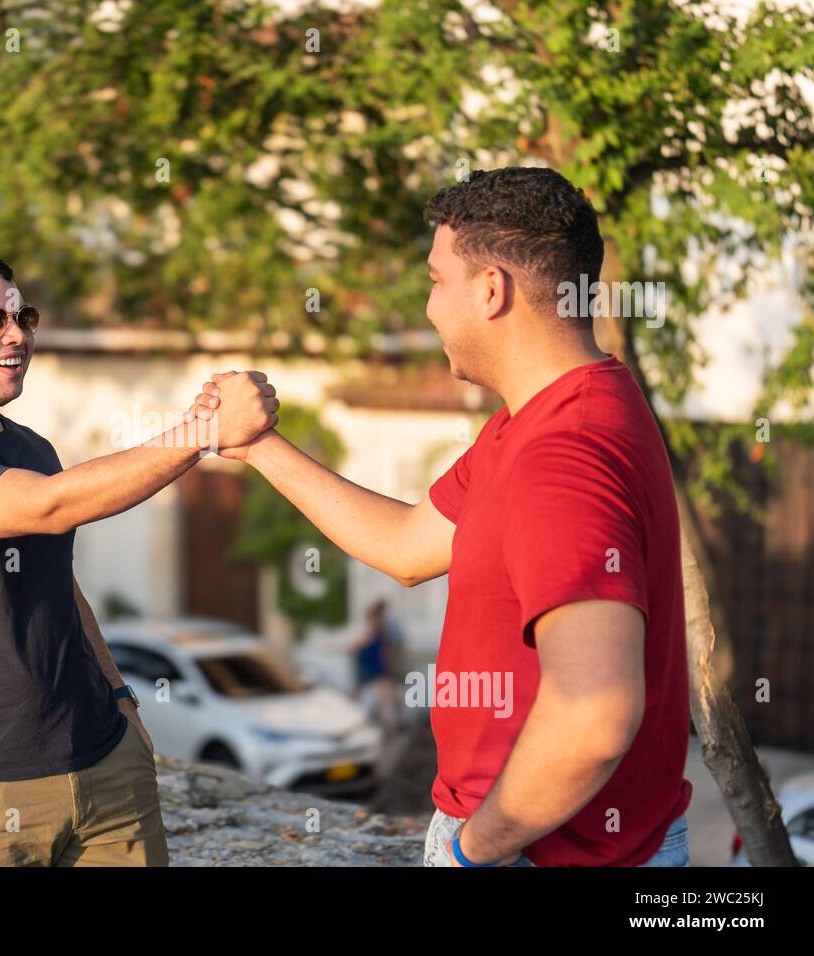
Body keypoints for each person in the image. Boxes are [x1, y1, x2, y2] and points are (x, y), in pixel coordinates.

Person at [195, 167, 693, 867]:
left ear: (491, 290)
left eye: (435, 280)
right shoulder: (546, 417)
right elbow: (406, 547)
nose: (428, 308)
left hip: (543, 854)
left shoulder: (562, 455)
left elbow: (594, 718)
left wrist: (470, 851)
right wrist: (257, 447)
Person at [0, 250, 279, 866]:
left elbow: (59, 583)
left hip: (105, 765)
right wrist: (204, 430)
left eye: (21, 316)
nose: (16, 336)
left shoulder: (33, 447)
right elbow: (52, 507)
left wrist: (120, 696)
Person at [350, 600, 402, 734]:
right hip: (373, 669)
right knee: (384, 701)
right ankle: (390, 725)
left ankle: (388, 726)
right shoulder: (384, 631)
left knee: (382, 701)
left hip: (374, 669)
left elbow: (357, 645)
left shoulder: (376, 632)